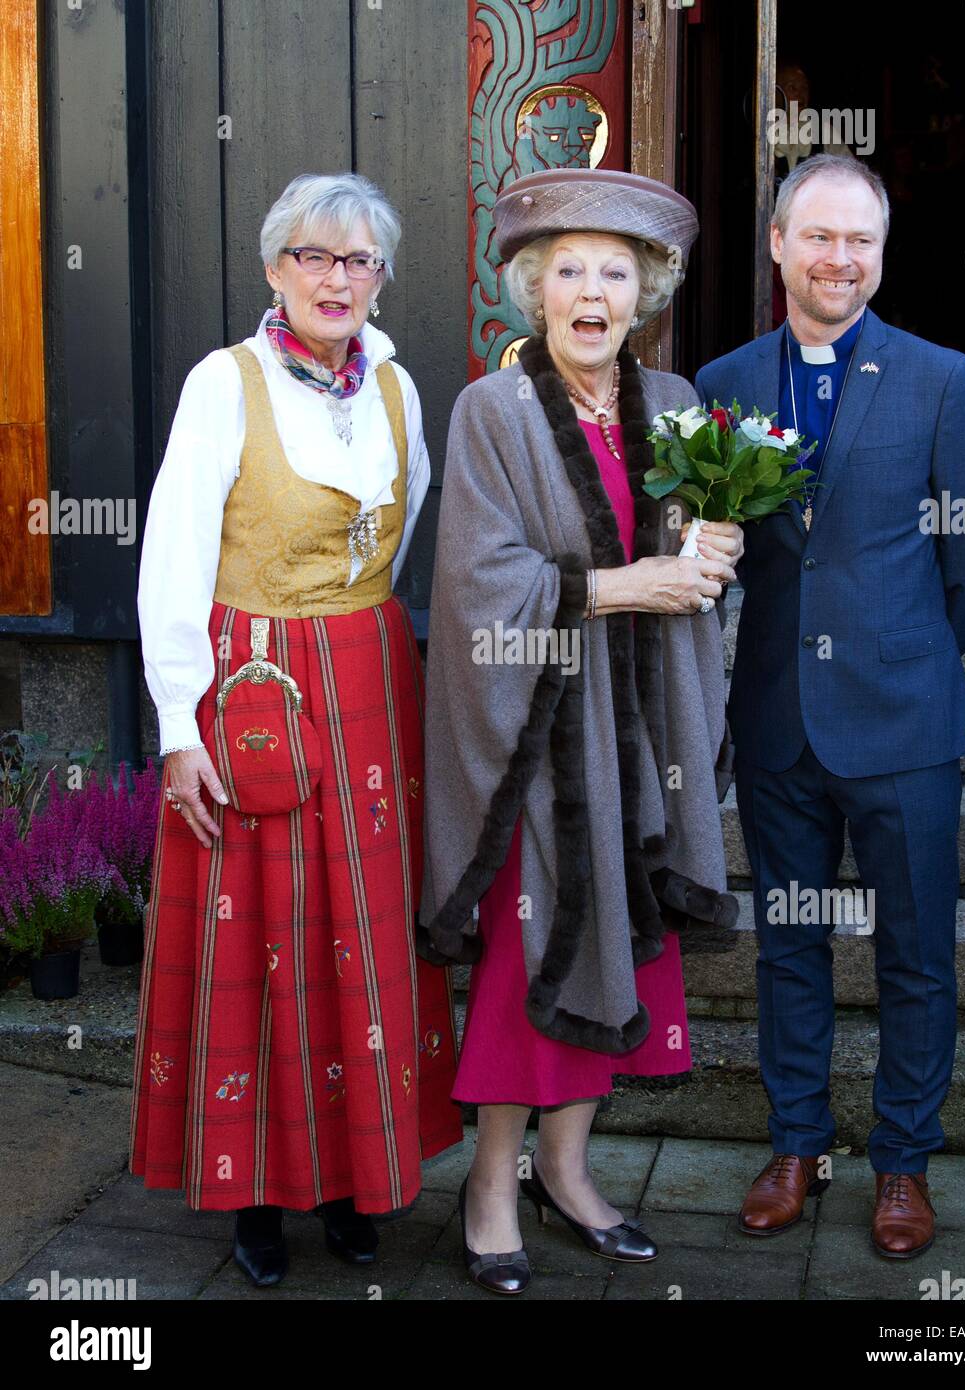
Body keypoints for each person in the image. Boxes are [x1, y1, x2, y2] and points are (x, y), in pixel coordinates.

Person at [130, 172, 462, 1287]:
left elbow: (401, 535)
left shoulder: (404, 390)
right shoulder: (224, 384)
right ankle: (259, 1190)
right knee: (260, 930)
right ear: (276, 269)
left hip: (370, 678)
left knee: (362, 936)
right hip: (257, 691)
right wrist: (182, 723)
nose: (336, 278)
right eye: (313, 256)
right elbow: (172, 554)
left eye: (358, 260)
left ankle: (351, 1178)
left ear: (380, 278)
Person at [418, 167, 744, 1294]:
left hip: (644, 732)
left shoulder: (686, 403)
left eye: (615, 270)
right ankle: (491, 1183)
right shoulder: (489, 413)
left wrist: (711, 557)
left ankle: (569, 1167)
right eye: (568, 270)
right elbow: (474, 584)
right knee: (530, 954)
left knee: (627, 945)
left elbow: (700, 559)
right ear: (531, 287)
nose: (592, 291)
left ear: (646, 290)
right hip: (539, 734)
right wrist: (624, 584)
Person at [695, 153, 965, 1259]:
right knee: (789, 946)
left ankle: (903, 1166)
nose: (839, 259)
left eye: (859, 240)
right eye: (817, 237)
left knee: (917, 956)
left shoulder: (940, 377)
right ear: (777, 244)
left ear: (880, 253)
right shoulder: (722, 381)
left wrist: (916, 659)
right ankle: (796, 1144)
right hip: (777, 715)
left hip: (904, 721)